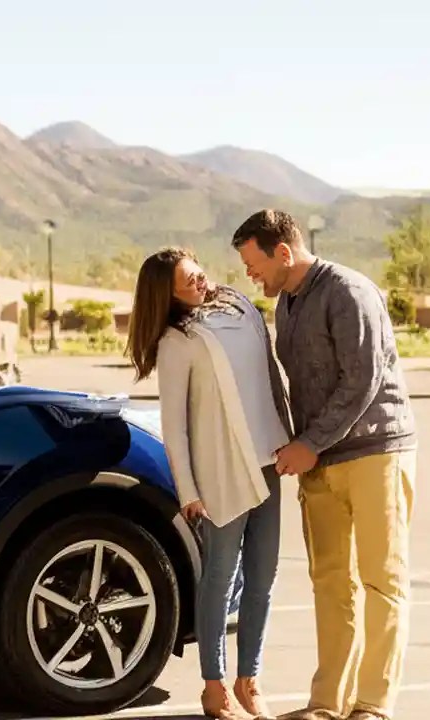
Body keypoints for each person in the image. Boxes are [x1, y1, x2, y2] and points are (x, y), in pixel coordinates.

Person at [231, 210, 417, 720]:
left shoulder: (349, 292)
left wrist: (309, 443)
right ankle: (327, 704)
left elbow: (363, 380)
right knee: (331, 582)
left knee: (382, 579)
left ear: (283, 253)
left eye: (253, 263)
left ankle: (373, 705)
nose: (251, 275)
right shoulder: (286, 304)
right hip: (318, 458)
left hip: (376, 451)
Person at [127, 247, 293, 720]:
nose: (200, 283)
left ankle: (250, 680)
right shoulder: (177, 341)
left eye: (198, 274)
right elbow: (174, 425)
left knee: (263, 578)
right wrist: (188, 492)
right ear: (169, 295)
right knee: (219, 580)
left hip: (269, 459)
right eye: (188, 282)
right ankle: (214, 685)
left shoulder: (240, 305)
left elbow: (269, 378)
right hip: (221, 472)